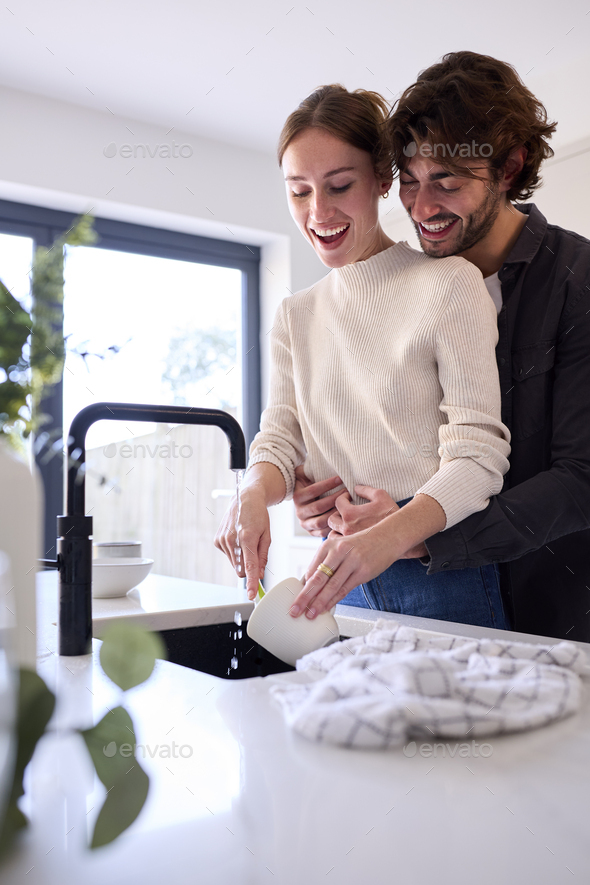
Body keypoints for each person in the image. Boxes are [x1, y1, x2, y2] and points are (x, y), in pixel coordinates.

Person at [294, 52, 590, 643]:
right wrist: (326, 493)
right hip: (417, 603)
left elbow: (582, 477)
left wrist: (412, 532)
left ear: (508, 168)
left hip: (554, 618)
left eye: (447, 184)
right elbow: (387, 437)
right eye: (410, 182)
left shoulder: (578, 279)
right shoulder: (409, 288)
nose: (422, 209)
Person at [215, 84, 511, 629]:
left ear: (381, 180)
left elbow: (479, 457)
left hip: (439, 574)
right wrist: (255, 492)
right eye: (299, 191)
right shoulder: (295, 315)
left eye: (339, 186)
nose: (318, 211)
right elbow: (280, 440)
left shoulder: (449, 284)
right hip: (338, 574)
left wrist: (390, 533)